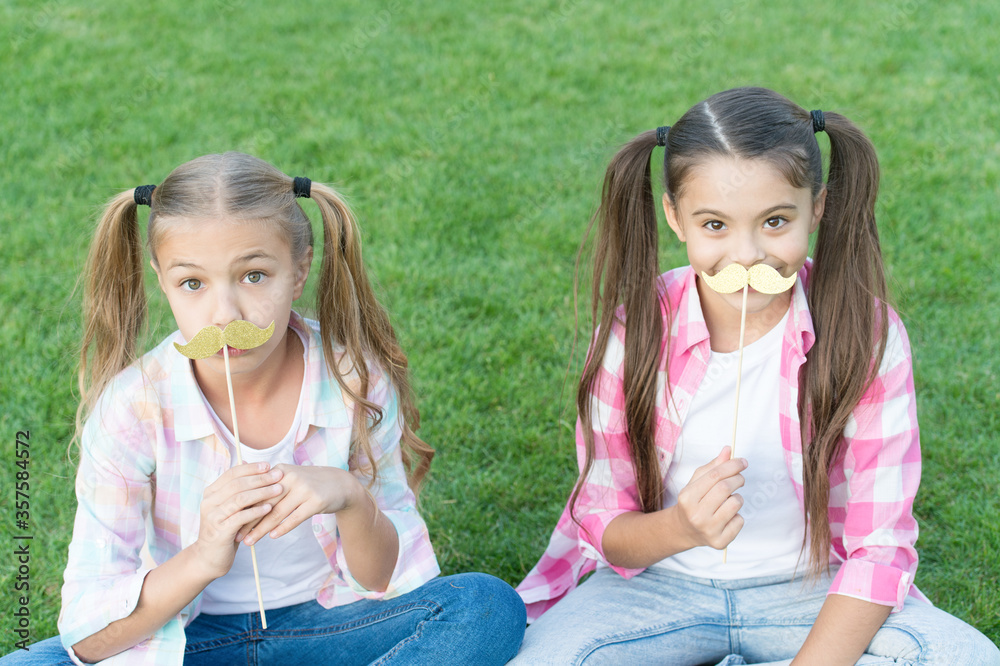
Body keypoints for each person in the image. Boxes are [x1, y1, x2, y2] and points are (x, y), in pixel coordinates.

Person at [512, 88, 999, 664]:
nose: (745, 256)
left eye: (774, 221)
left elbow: (880, 547)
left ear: (816, 208)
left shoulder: (868, 335)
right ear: (675, 217)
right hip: (654, 591)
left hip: (814, 591)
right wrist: (682, 527)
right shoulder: (630, 334)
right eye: (714, 224)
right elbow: (601, 522)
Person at [1, 152, 525, 665]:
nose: (225, 313)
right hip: (183, 638)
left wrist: (349, 498)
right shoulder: (133, 408)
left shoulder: (353, 382)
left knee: (484, 608)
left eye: (254, 276)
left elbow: (384, 579)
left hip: (328, 626)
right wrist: (204, 554)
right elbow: (89, 639)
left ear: (298, 273)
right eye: (193, 283)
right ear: (162, 282)